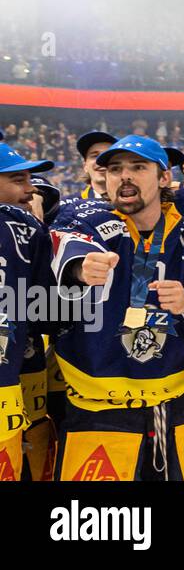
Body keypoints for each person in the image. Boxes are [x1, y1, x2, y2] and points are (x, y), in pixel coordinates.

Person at [48, 135, 184, 480]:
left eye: (138, 167)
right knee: (101, 526)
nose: (124, 177)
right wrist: (79, 268)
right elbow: (70, 245)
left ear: (164, 177)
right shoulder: (86, 219)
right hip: (99, 407)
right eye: (115, 169)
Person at [0, 142, 55, 481]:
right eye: (18, 179)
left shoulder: (27, 227)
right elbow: (50, 310)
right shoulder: (26, 227)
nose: (31, 189)